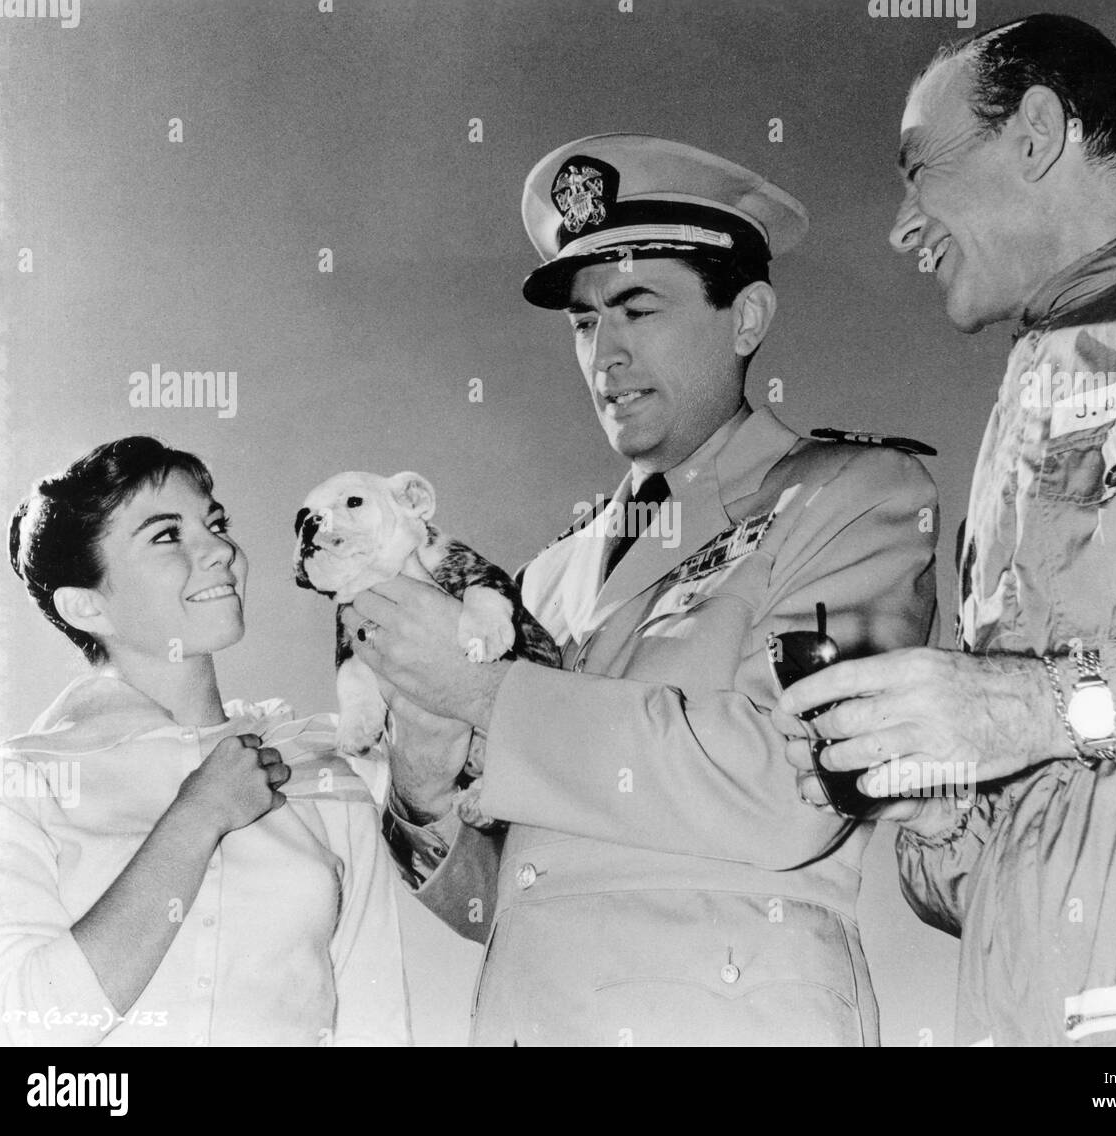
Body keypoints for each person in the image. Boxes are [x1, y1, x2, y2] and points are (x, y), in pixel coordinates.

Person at [346, 134, 939, 1045]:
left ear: (745, 317)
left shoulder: (852, 494)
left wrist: (477, 692)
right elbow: (505, 897)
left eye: (638, 310)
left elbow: (799, 784)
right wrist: (423, 779)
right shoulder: (547, 575)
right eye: (586, 323)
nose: (605, 356)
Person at [774, 13, 1116, 1046]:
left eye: (920, 170)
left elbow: (1073, 712)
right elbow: (1049, 820)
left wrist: (1049, 701)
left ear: (1037, 132)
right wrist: (942, 808)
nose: (900, 225)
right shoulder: (1018, 413)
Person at [0, 436, 411, 1047]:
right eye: (166, 535)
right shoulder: (21, 784)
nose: (222, 551)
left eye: (215, 523)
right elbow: (18, 1030)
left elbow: (380, 1027)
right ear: (85, 606)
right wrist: (198, 815)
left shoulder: (320, 773)